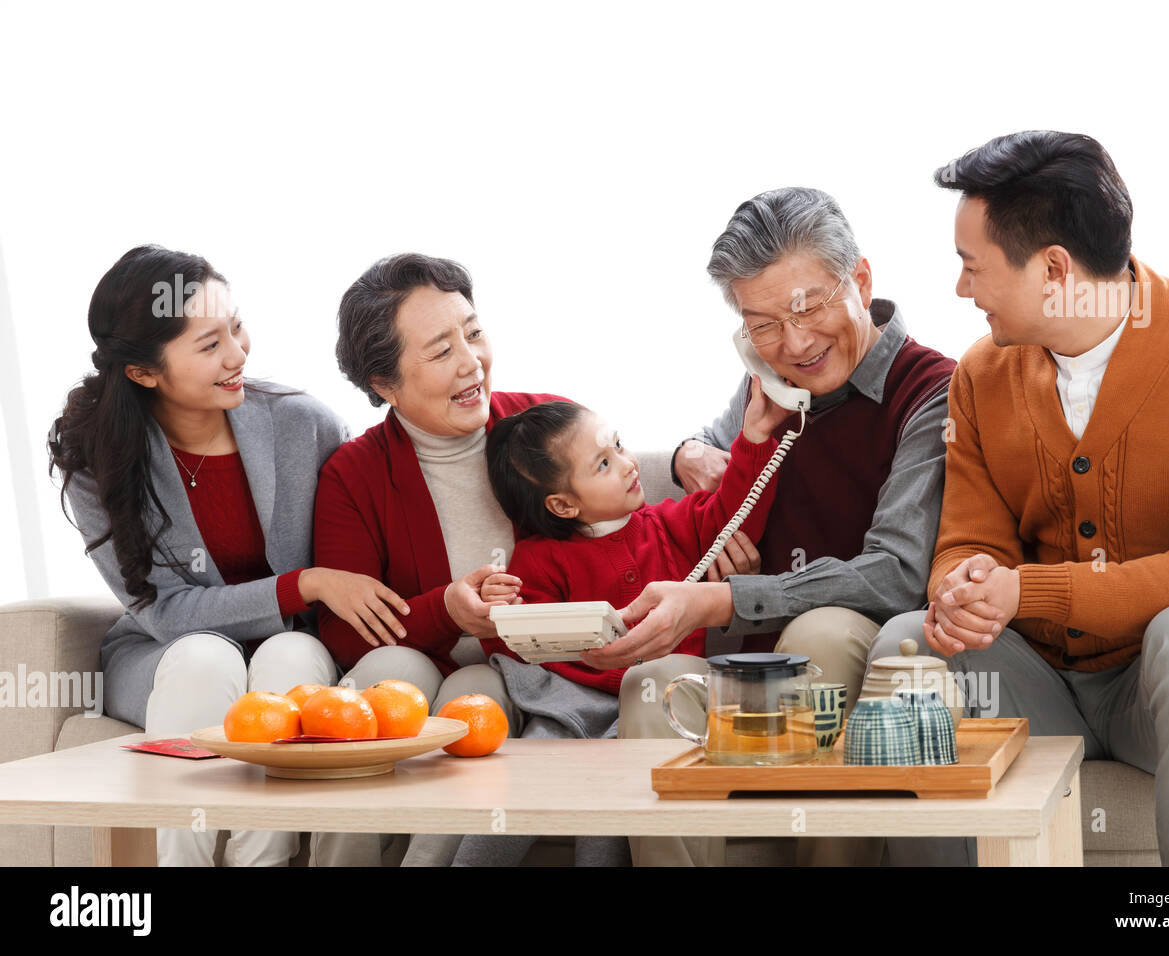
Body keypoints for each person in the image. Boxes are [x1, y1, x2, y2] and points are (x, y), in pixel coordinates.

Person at [872, 130, 1169, 865]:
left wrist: (1026, 589)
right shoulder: (981, 375)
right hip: (1038, 690)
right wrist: (963, 585)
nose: (961, 290)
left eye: (971, 267)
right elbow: (967, 540)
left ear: (1054, 269)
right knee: (905, 647)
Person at [596, 186, 957, 866]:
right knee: (649, 684)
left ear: (860, 280)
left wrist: (731, 597)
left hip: (857, 645)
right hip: (747, 663)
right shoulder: (770, 385)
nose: (793, 344)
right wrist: (685, 454)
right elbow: (710, 463)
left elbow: (899, 570)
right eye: (760, 325)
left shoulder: (933, 389)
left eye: (807, 308)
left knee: (817, 633)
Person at [48, 245, 398, 866]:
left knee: (291, 653)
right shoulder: (96, 456)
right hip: (167, 654)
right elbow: (163, 612)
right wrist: (305, 583)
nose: (239, 355)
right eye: (210, 345)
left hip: (289, 641)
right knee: (207, 659)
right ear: (144, 373)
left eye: (236, 327)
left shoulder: (304, 425)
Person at [436, 390, 783, 865]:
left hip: (653, 711)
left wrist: (756, 438)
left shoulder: (669, 523)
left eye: (619, 445)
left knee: (614, 808)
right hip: (569, 706)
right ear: (561, 505)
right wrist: (499, 610)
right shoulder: (539, 558)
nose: (626, 463)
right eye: (603, 463)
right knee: (520, 790)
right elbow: (518, 644)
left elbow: (736, 509)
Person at [309, 253, 573, 866]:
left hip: (518, 678)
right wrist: (448, 610)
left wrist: (690, 454)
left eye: (474, 333)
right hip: (414, 671)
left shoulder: (549, 425)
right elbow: (346, 633)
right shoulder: (354, 473)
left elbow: (629, 516)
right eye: (439, 351)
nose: (470, 361)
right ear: (385, 385)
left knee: (476, 690)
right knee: (384, 675)